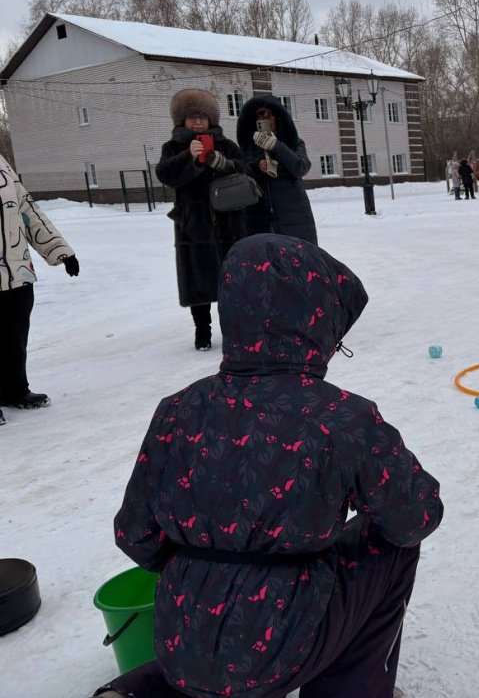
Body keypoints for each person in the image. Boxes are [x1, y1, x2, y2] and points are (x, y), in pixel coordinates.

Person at [94, 234, 444, 698]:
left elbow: (135, 534)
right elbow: (414, 516)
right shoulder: (341, 417)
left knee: (219, 625)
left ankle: (138, 691)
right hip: (282, 644)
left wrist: (209, 569)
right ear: (316, 326)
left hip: (184, 640)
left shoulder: (178, 409)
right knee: (392, 546)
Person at [156, 89, 248, 352]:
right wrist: (189, 157)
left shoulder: (227, 145)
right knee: (198, 281)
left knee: (231, 280)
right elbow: (165, 174)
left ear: (211, 120)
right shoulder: (172, 147)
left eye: (202, 117)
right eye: (191, 117)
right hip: (193, 225)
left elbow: (245, 170)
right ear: (181, 120)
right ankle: (202, 331)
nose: (197, 122)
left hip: (229, 223)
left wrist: (225, 163)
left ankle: (234, 329)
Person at [0, 166, 78, 423]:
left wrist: (60, 250)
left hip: (16, 269)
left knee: (15, 335)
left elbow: (28, 211)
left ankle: (14, 390)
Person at [237, 96, 318, 244]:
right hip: (258, 220)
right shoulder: (247, 148)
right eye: (261, 115)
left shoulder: (294, 143)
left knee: (295, 263)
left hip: (293, 218)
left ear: (278, 118)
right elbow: (241, 172)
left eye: (270, 114)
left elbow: (300, 167)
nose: (265, 119)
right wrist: (257, 166)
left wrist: (275, 145)